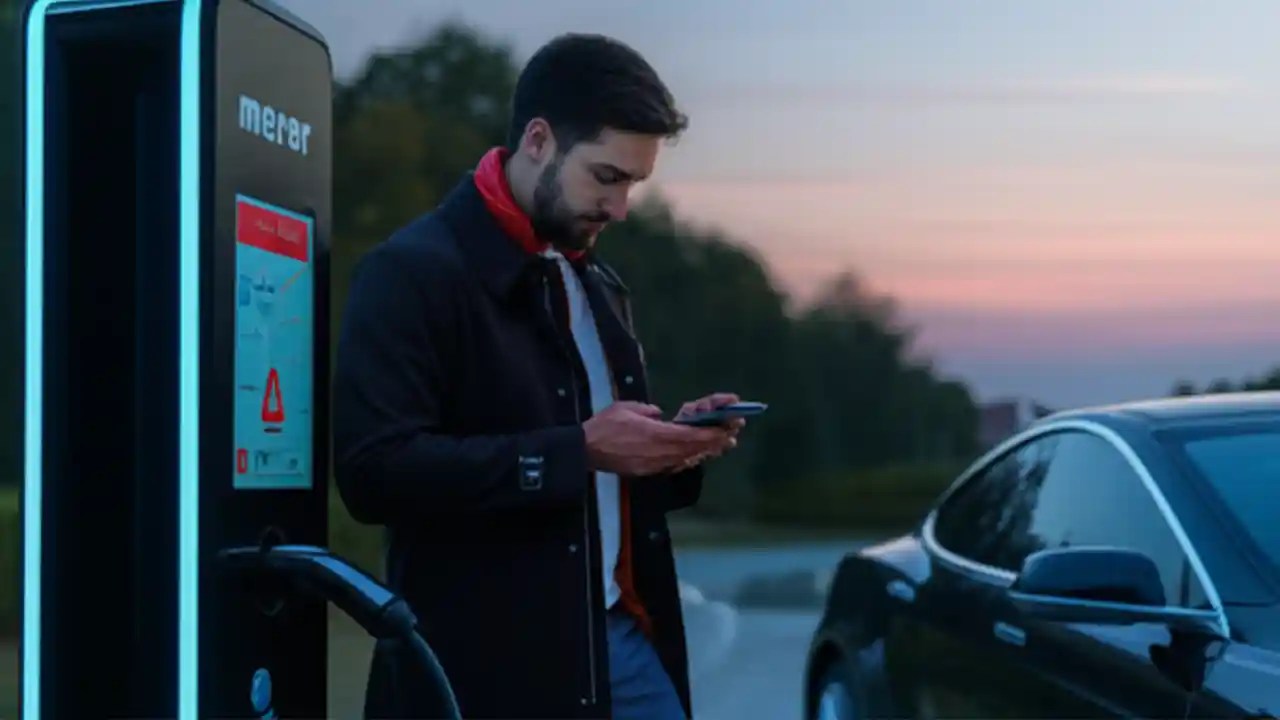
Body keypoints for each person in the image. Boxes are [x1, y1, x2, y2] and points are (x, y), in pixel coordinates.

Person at [332, 32, 748, 720]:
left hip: (622, 643)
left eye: (633, 185)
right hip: (486, 667)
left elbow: (605, 469)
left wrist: (672, 446)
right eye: (606, 178)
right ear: (537, 141)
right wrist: (577, 449)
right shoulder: (409, 273)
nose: (619, 209)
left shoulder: (599, 284)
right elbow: (372, 472)